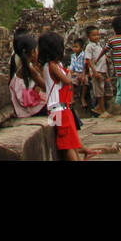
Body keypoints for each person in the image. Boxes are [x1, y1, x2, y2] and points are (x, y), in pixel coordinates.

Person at [38, 32, 84, 160]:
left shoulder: (50, 65)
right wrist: (70, 73)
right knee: (67, 144)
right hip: (59, 110)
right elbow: (67, 80)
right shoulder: (52, 65)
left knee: (69, 141)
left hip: (58, 108)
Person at [9, 33, 47, 118]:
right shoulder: (29, 68)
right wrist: (41, 69)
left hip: (24, 105)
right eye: (37, 50)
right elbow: (45, 87)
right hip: (28, 108)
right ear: (33, 52)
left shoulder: (23, 66)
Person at [84, 25, 109, 117]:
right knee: (99, 92)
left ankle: (98, 108)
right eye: (94, 35)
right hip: (97, 71)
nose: (97, 37)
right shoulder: (89, 47)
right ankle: (102, 111)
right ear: (89, 37)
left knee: (107, 92)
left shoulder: (99, 45)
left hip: (103, 70)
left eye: (97, 35)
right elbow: (88, 60)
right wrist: (94, 72)